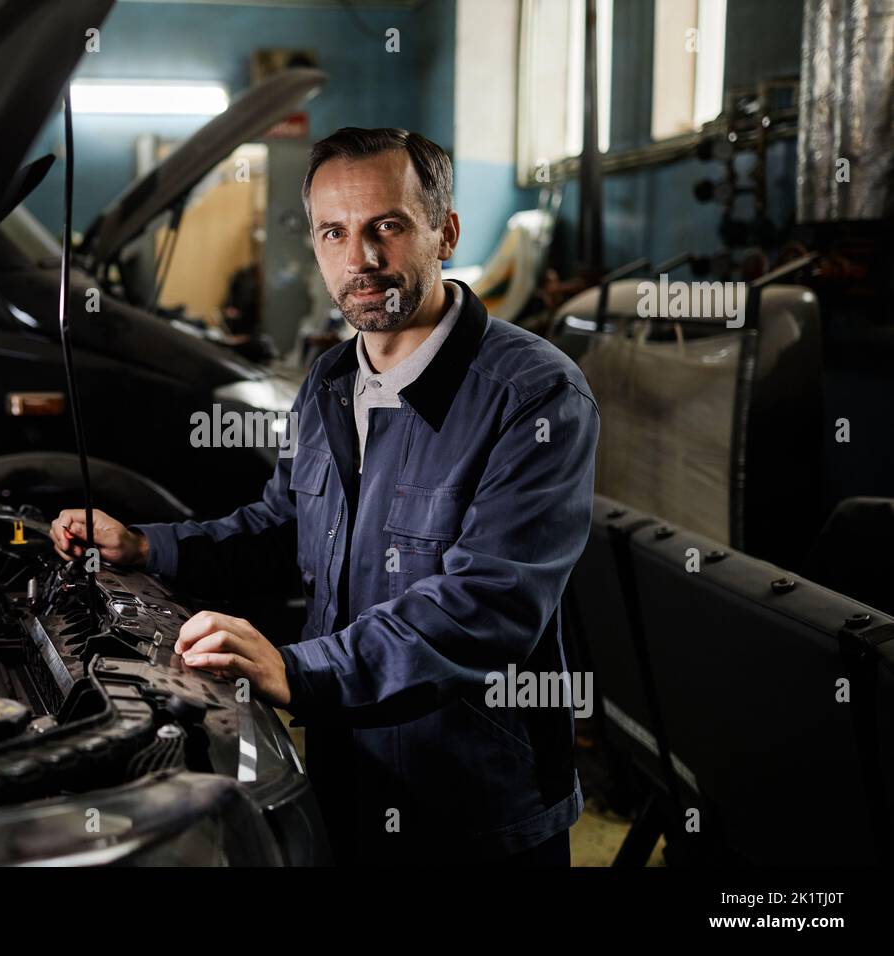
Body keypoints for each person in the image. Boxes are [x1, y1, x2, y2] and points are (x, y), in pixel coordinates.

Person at [50, 127, 600, 866]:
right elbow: (284, 527)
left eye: (388, 227)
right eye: (334, 232)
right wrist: (149, 546)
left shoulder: (534, 396)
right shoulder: (330, 382)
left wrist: (299, 671)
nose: (360, 258)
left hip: (477, 808)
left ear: (446, 231)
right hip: (346, 778)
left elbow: (489, 605)